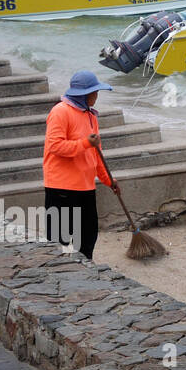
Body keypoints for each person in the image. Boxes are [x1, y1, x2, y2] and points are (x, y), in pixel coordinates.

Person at [43, 70, 117, 260]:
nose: (97, 96)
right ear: (84, 94)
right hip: (61, 187)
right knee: (62, 237)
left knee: (88, 235)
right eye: (95, 92)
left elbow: (96, 154)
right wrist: (85, 143)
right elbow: (55, 146)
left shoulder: (91, 116)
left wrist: (109, 180)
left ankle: (86, 270)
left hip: (85, 186)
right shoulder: (60, 112)